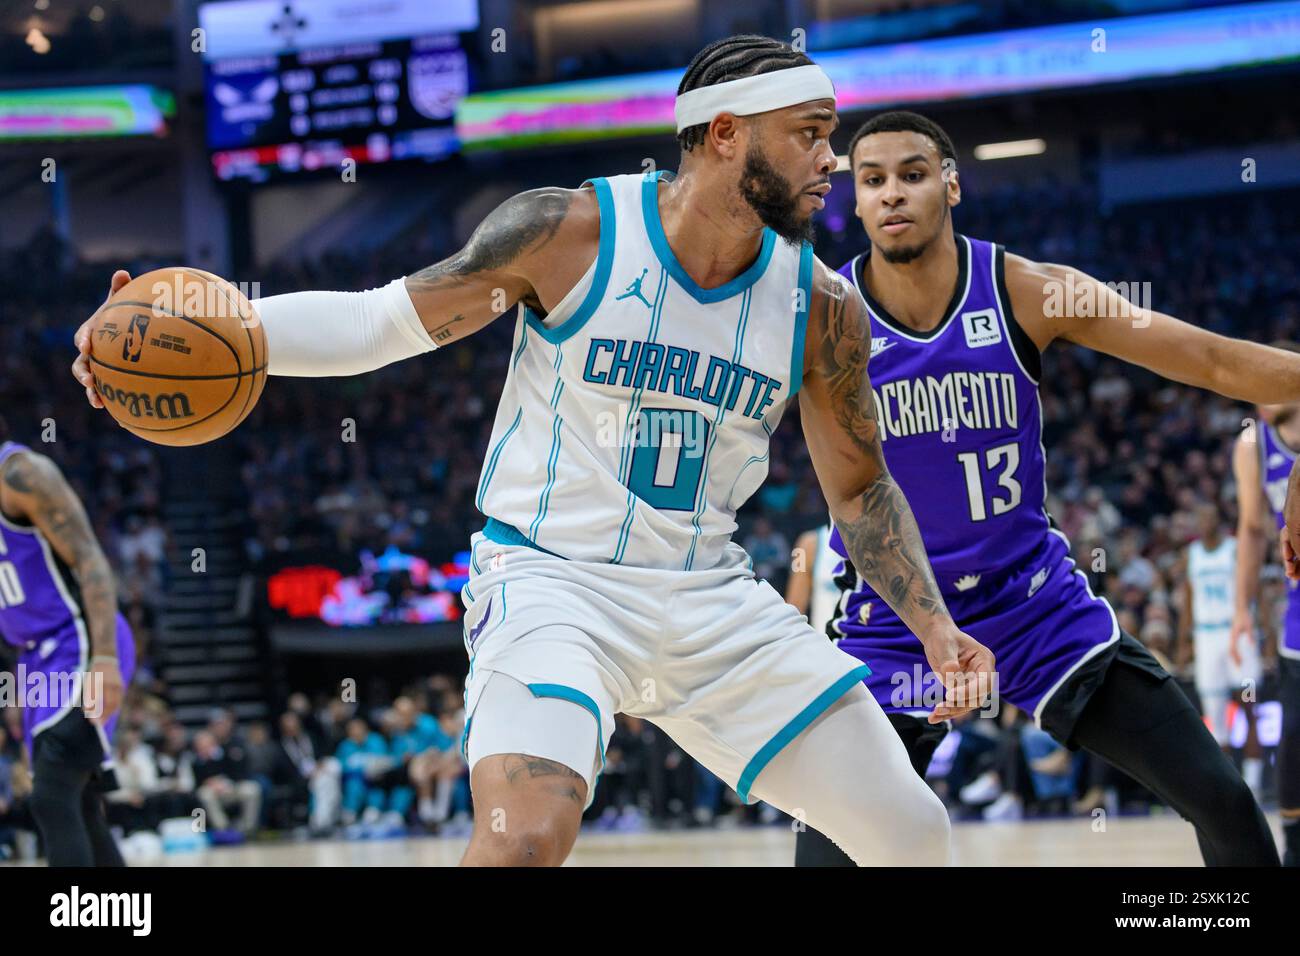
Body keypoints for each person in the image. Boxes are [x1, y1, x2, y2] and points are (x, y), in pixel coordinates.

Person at [73, 35, 996, 867]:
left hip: (712, 597)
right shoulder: (570, 233)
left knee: (911, 831)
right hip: (553, 585)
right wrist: (199, 319)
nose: (833, 159)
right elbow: (373, 323)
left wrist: (936, 629)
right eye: (810, 133)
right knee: (527, 837)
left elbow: (861, 490)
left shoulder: (822, 305)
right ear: (725, 134)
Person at [795, 110, 1285, 866]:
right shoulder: (828, 319)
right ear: (854, 202)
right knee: (832, 855)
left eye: (914, 175)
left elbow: (1211, 362)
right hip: (897, 621)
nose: (893, 193)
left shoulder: (1027, 292)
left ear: (952, 186)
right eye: (873, 180)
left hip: (1034, 607)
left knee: (1221, 799)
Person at [0, 424, 136, 866]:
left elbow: (90, 558)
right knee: (78, 803)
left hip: (80, 638)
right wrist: (17, 690)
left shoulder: (21, 474)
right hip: (35, 658)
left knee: (52, 795)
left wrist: (105, 660)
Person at [1182, 502, 1261, 793]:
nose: (1205, 521)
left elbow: (1258, 591)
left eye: (1209, 515)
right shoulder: (1192, 555)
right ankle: (1228, 784)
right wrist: (1185, 642)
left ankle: (1254, 781)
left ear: (1219, 519)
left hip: (1236, 631)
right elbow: (1188, 600)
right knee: (1214, 713)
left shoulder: (1235, 548)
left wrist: (1263, 632)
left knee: (1249, 704)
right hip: (1206, 635)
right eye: (1200, 516)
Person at [1264, 404, 1300, 866]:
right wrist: (1243, 611)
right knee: (1292, 735)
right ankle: (1293, 841)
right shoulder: (1254, 444)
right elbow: (1253, 529)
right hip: (1294, 620)